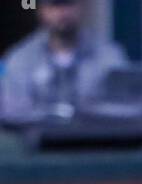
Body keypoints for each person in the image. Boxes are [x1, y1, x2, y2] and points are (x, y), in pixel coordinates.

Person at [0, 0, 128, 121]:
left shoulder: (109, 55)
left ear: (82, 7)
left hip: (96, 139)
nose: (63, 13)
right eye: (55, 5)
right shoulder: (20, 58)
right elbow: (14, 114)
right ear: (41, 11)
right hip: (37, 140)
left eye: (69, 4)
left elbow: (124, 108)